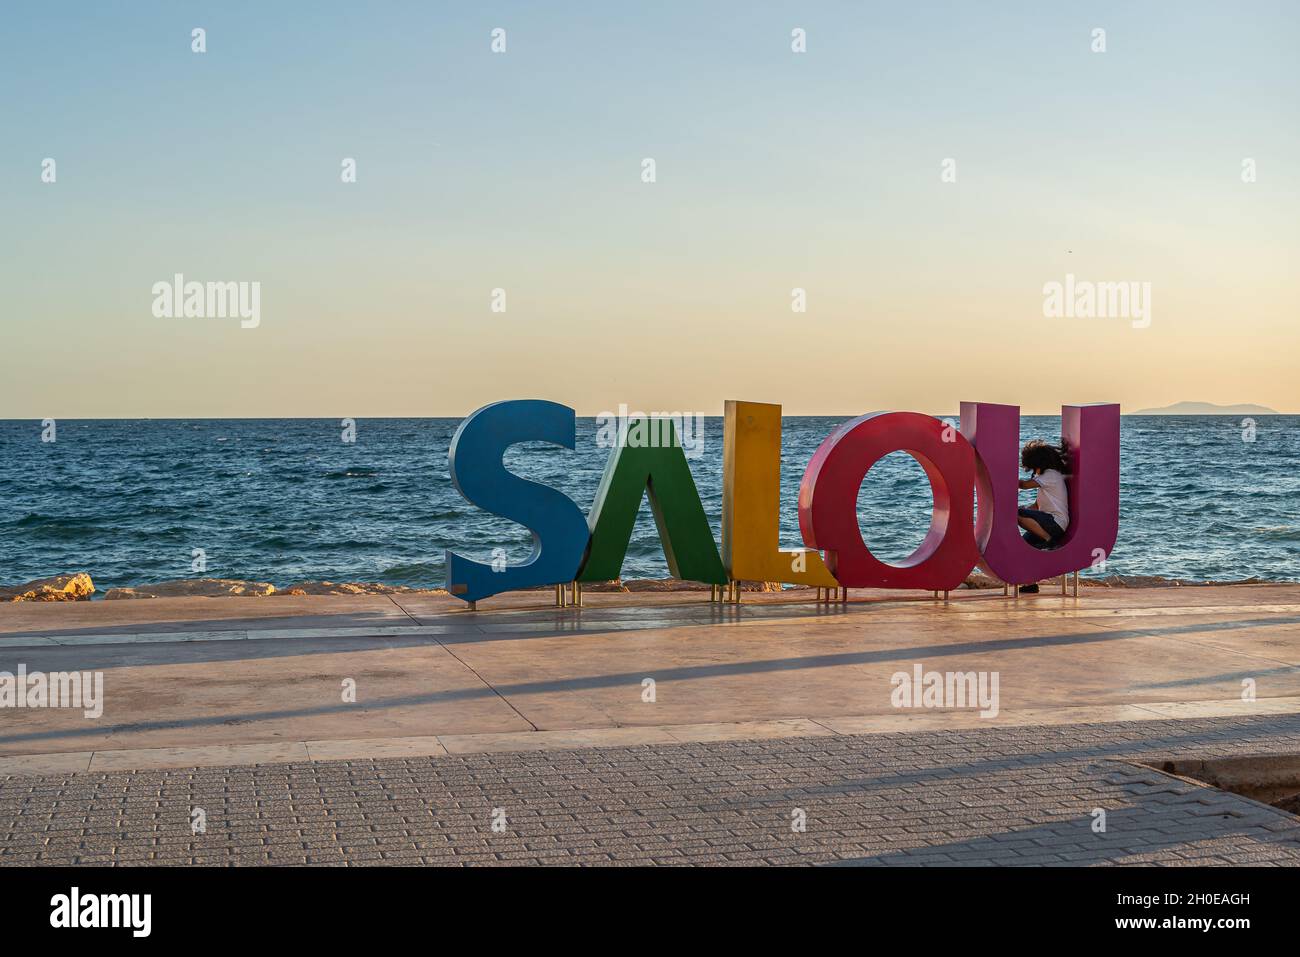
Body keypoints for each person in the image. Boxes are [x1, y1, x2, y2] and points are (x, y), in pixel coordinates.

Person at [1015, 439, 1070, 593]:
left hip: (1055, 524)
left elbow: (1025, 485)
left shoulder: (1050, 475)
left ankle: (1049, 540)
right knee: (1023, 546)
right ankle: (1030, 583)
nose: (1032, 472)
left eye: (1033, 468)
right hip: (1046, 523)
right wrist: (1023, 508)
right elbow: (1037, 506)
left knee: (1017, 514)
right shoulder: (1046, 479)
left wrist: (1008, 478)